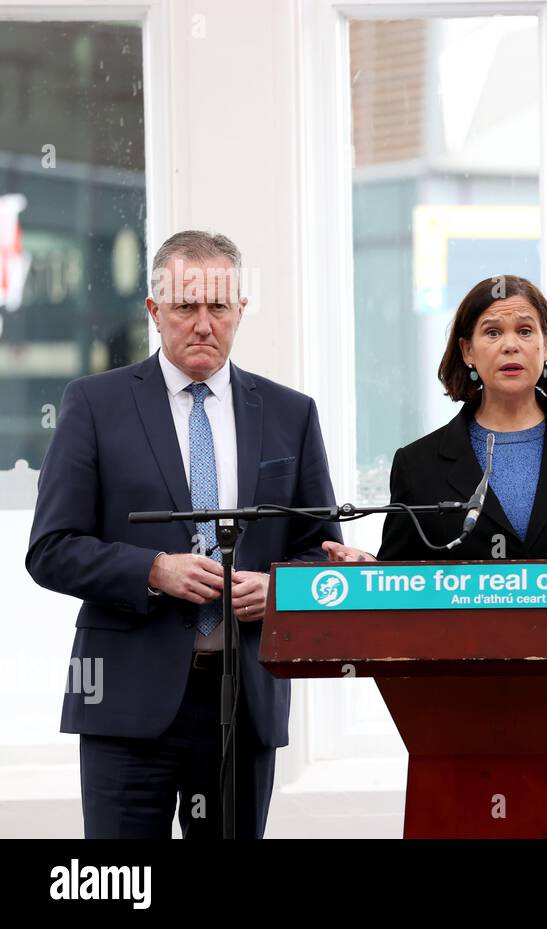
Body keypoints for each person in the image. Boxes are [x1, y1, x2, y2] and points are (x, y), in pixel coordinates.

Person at [324, 274, 547, 839]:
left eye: (526, 330)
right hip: (461, 698)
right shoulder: (420, 462)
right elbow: (401, 580)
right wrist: (369, 578)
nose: (511, 344)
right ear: (467, 351)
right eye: (492, 331)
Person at [27, 230, 342, 838]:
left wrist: (277, 590)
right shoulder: (94, 403)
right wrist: (151, 571)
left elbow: (320, 549)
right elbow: (51, 549)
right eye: (185, 306)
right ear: (154, 311)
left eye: (219, 306)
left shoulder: (290, 414)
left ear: (241, 310)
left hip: (242, 702)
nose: (203, 323)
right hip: (125, 702)